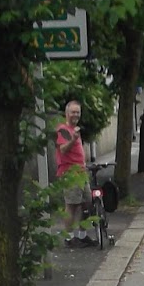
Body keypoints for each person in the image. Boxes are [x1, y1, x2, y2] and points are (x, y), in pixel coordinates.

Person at [55, 99, 90, 246]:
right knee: (72, 205)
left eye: (78, 112)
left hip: (81, 173)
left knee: (88, 203)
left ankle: (82, 235)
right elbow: (62, 149)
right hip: (70, 173)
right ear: (66, 113)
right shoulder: (63, 130)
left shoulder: (75, 130)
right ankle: (69, 238)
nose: (75, 115)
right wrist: (73, 139)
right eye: (73, 112)